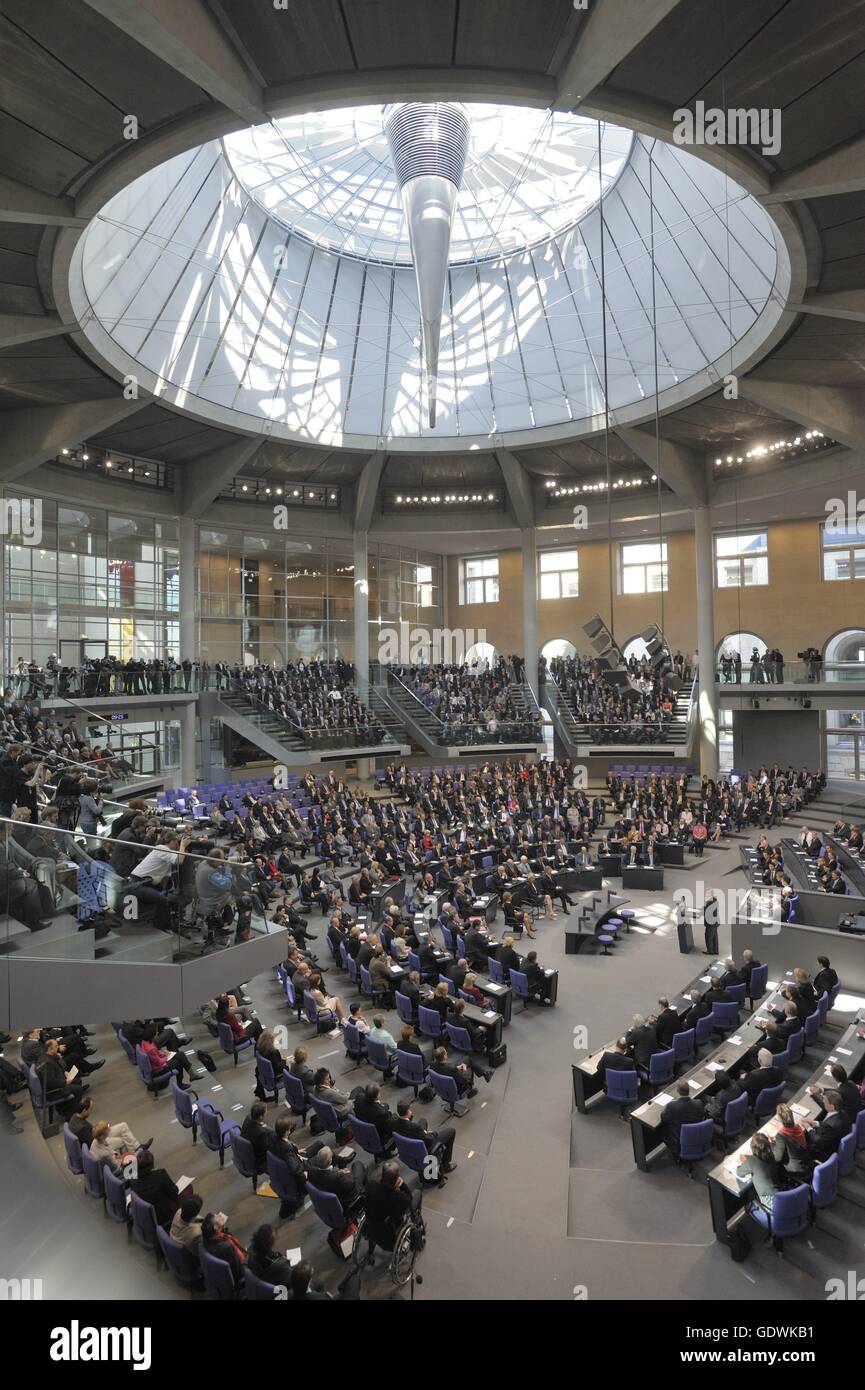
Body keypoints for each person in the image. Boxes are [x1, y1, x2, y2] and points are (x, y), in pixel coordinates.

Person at [391, 1098, 457, 1174]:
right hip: (425, 1146)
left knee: (423, 1120)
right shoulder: (415, 1128)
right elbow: (429, 1141)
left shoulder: (393, 1123)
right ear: (408, 1111)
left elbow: (408, 1127)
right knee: (451, 1131)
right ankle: (446, 1165)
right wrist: (432, 1133)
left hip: (409, 1140)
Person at [130, 1149, 183, 1229]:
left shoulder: (133, 1179)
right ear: (152, 1165)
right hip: (163, 1216)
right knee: (186, 1192)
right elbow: (174, 1192)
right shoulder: (160, 1174)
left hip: (146, 1217)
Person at [737, 1132, 783, 1219]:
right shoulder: (771, 1155)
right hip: (779, 1195)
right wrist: (749, 1159)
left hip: (771, 1206)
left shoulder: (752, 1161)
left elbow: (739, 1173)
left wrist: (744, 1162)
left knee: (748, 1200)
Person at [201, 1211, 247, 1291]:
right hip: (239, 1277)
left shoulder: (206, 1240)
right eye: (217, 1217)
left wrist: (222, 1228)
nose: (220, 1216)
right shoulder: (227, 1247)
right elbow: (239, 1271)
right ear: (215, 1227)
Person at [771, 1103, 814, 1183]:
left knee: (775, 1167)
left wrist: (771, 1144)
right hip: (807, 1162)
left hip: (797, 1170)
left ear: (780, 1119)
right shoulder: (797, 1127)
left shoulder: (781, 1136)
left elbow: (777, 1158)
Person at [247, 1223, 298, 1290]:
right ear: (270, 1244)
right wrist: (286, 1261)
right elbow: (291, 1281)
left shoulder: (251, 1254)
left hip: (258, 1287)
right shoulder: (281, 1266)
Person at [806, 1087, 853, 1158]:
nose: (823, 1102)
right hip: (834, 1141)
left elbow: (819, 1142)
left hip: (825, 1152)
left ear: (832, 1106)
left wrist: (808, 1128)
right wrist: (816, 1123)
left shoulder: (829, 1125)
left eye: (825, 1102)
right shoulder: (843, 1113)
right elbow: (828, 1126)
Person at [661, 1081, 705, 1156]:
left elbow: (664, 1118)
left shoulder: (671, 1106)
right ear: (689, 1090)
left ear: (677, 1091)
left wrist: (665, 1109)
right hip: (697, 1134)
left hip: (680, 1137)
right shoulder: (699, 1102)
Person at [240, 1101, 272, 1174]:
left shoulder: (248, 1117)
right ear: (261, 1116)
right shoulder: (261, 1133)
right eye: (265, 1112)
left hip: (246, 1151)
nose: (266, 1113)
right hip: (258, 1160)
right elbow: (266, 1148)